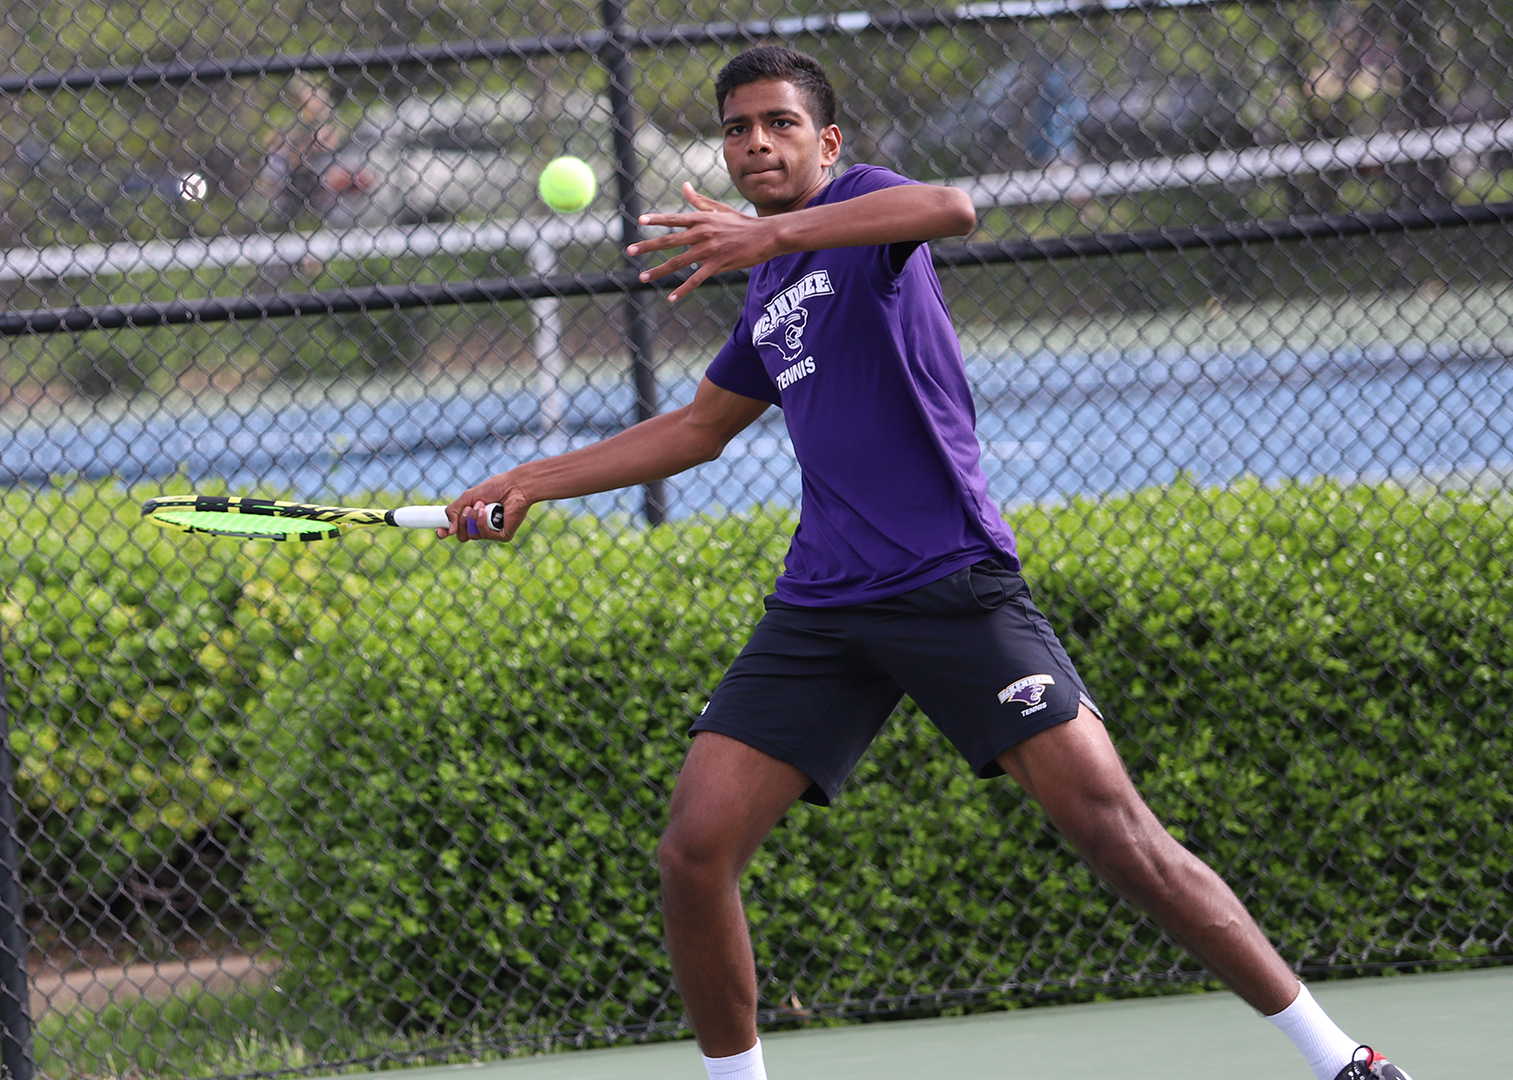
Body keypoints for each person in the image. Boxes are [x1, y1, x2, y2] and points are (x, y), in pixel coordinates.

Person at [438, 45, 1414, 1080]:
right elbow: (695, 430)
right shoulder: (768, 281)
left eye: (777, 123)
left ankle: (1340, 1060)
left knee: (1114, 832)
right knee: (694, 848)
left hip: (948, 579)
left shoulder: (866, 209)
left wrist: (775, 230)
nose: (755, 142)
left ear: (829, 141)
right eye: (735, 128)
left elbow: (953, 209)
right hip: (822, 604)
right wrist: (533, 479)